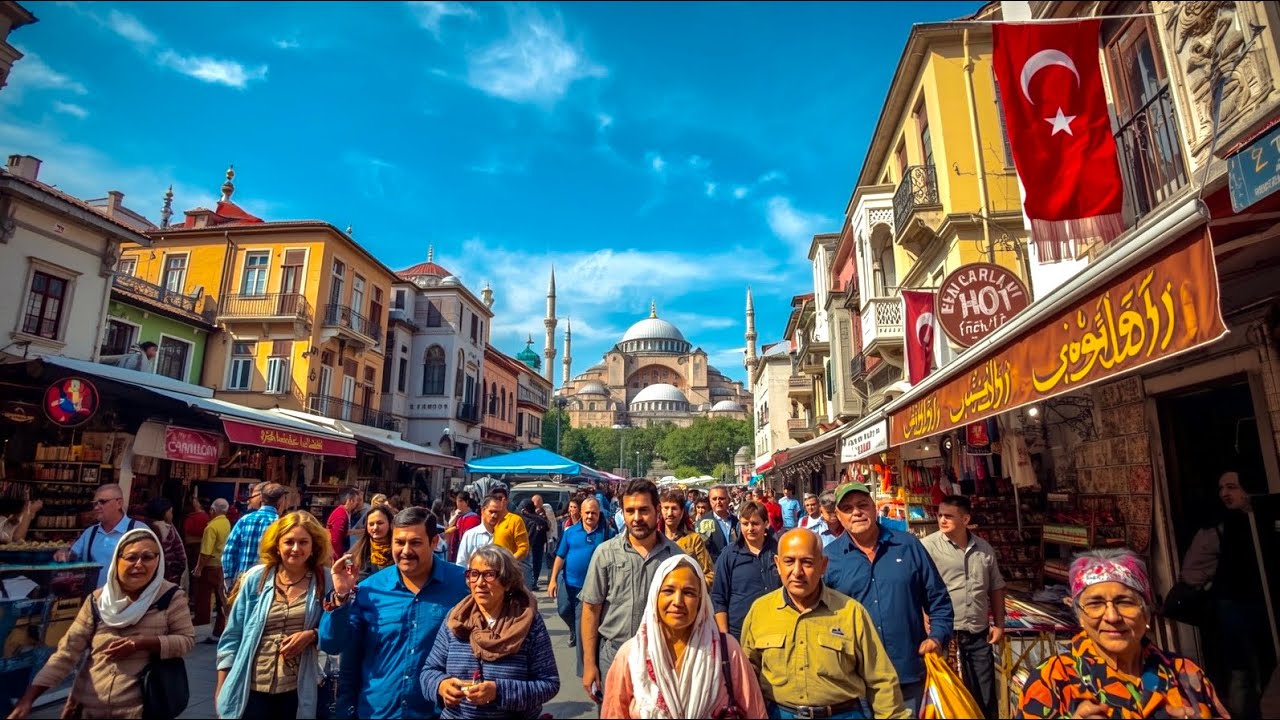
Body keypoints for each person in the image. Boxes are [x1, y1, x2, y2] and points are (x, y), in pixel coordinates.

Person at [1018, 549, 1229, 719]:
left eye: (1124, 602)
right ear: (1081, 617)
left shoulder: (1183, 672)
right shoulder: (1054, 677)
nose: (1111, 616)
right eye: (1095, 604)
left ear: (1146, 614)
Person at [8, 527, 195, 719]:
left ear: (158, 560)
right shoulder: (98, 600)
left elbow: (186, 641)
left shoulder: (170, 597)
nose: (139, 564)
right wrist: (29, 699)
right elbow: (67, 652)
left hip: (141, 710)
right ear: (117, 560)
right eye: (131, 557)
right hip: (89, 707)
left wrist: (142, 643)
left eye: (148, 557)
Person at [741, 529, 908, 719]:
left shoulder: (850, 612)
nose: (797, 572)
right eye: (789, 562)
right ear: (777, 565)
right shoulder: (760, 611)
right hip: (779, 713)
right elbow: (747, 674)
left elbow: (881, 680)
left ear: (823, 565)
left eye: (807, 562)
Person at [323, 508, 469, 719]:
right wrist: (341, 597)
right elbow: (332, 645)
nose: (406, 551)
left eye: (416, 543)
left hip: (440, 712)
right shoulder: (370, 590)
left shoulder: (463, 585)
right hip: (378, 711)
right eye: (399, 542)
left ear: (435, 542)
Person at [823, 481, 953, 715]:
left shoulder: (908, 545)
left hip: (907, 673)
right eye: (848, 508)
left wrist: (937, 637)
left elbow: (939, 600)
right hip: (854, 681)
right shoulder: (830, 559)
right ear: (838, 517)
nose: (857, 512)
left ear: (874, 508)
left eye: (863, 505)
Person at [602, 554, 768, 719]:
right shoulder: (632, 655)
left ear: (700, 600)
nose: (677, 601)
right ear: (655, 596)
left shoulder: (726, 650)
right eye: (668, 591)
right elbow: (614, 713)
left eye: (688, 592)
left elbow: (754, 711)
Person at [215, 511, 332, 719]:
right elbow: (233, 635)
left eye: (303, 542)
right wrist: (222, 688)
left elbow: (336, 636)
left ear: (314, 546)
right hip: (251, 687)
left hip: (296, 690)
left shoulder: (324, 581)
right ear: (277, 545)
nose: (296, 549)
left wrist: (312, 635)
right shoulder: (257, 578)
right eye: (289, 542)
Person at [421, 545, 559, 719]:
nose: (479, 583)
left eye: (489, 575)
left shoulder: (528, 623)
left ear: (507, 582)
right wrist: (441, 686)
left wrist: (498, 692)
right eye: (474, 574)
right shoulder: (457, 619)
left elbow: (549, 684)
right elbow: (429, 671)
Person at [1179, 470, 1275, 718]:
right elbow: (1191, 573)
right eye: (1221, 488)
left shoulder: (1266, 518)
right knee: (1242, 673)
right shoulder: (1216, 527)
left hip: (1266, 609)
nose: (1224, 494)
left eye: (1231, 487)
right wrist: (1215, 579)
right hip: (1235, 609)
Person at [580, 479, 686, 703]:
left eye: (643, 510)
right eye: (630, 511)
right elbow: (590, 609)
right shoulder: (605, 554)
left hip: (661, 658)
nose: (636, 518)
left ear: (657, 511)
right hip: (614, 656)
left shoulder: (675, 557)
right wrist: (589, 664)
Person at [921, 494, 1006, 718]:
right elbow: (917, 587)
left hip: (978, 632)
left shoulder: (984, 548)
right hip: (946, 633)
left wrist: (999, 624)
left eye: (949, 516)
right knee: (950, 694)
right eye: (940, 515)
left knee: (984, 693)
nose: (942, 520)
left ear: (966, 519)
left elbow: (996, 587)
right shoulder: (927, 547)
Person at [548, 496, 608, 660]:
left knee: (582, 624)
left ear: (599, 513)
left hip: (589, 589)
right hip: (568, 584)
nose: (590, 516)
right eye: (587, 513)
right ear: (581, 513)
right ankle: (573, 629)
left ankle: (585, 665)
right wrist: (553, 579)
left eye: (594, 513)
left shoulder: (606, 533)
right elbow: (560, 556)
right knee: (563, 610)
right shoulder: (571, 532)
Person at [711, 501, 781, 640]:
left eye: (755, 523)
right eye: (745, 523)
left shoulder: (779, 551)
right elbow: (718, 598)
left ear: (766, 524)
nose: (750, 528)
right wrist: (725, 638)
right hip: (740, 634)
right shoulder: (729, 555)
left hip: (777, 631)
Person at [55, 484, 143, 588]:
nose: (96, 507)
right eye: (95, 504)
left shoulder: (138, 531)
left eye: (102, 502)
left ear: (119, 503)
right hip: (93, 599)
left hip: (126, 600)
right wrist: (64, 553)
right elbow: (73, 554)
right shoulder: (90, 532)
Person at [221, 482, 287, 592]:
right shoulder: (281, 524)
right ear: (281, 501)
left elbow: (229, 551)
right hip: (269, 585)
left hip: (242, 582)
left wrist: (229, 581)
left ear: (262, 499)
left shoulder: (245, 520)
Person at [193, 498, 232, 641]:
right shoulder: (227, 523)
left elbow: (205, 552)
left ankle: (202, 628)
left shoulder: (211, 527)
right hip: (222, 566)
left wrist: (198, 568)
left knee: (203, 598)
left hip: (210, 566)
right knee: (221, 597)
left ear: (213, 511)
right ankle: (219, 630)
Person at [660, 489, 715, 586]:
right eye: (666, 508)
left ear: (682, 512)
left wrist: (692, 589)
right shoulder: (654, 540)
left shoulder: (694, 539)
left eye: (674, 508)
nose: (669, 513)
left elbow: (709, 574)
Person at [345, 503, 396, 582]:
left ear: (390, 524)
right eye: (371, 524)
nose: (375, 528)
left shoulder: (399, 551)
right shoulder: (355, 552)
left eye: (380, 523)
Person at [145, 497, 187, 586]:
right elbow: (181, 556)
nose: (172, 515)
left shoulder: (144, 526)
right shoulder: (169, 530)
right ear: (165, 513)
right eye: (171, 512)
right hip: (168, 576)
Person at [696, 485, 740, 561]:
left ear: (729, 500)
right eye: (714, 499)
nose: (718, 502)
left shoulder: (737, 521)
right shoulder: (703, 523)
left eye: (721, 498)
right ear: (709, 501)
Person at [457, 496, 503, 567]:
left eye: (498, 512)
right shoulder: (470, 535)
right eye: (491, 512)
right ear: (483, 510)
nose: (494, 515)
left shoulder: (504, 536)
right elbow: (461, 564)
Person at [489, 486, 530, 560]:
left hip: (507, 567)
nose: (498, 501)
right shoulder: (489, 520)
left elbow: (523, 548)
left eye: (500, 498)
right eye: (495, 498)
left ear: (506, 500)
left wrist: (510, 562)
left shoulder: (515, 520)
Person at [518, 498, 550, 591]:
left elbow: (545, 524)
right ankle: (529, 582)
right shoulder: (518, 518)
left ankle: (534, 582)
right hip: (526, 545)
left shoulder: (536, 517)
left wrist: (529, 515)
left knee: (536, 563)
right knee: (528, 565)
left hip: (538, 543)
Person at [327, 487, 362, 559]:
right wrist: (339, 557)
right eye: (356, 501)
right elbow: (335, 538)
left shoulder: (345, 512)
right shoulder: (340, 515)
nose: (357, 503)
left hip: (343, 552)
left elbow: (344, 532)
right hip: (338, 554)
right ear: (350, 501)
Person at [445, 491, 480, 563]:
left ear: (467, 502)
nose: (458, 504)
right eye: (457, 501)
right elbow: (449, 526)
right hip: (453, 550)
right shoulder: (458, 516)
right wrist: (455, 516)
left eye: (461, 501)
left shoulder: (474, 519)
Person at [534, 494, 560, 585]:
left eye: (538, 503)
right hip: (534, 541)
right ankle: (535, 580)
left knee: (549, 559)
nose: (536, 506)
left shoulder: (547, 509)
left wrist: (553, 537)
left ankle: (550, 579)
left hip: (548, 539)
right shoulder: (528, 510)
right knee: (535, 561)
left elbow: (550, 524)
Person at [183, 496, 211, 570]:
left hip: (190, 546)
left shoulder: (190, 517)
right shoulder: (207, 518)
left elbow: (186, 530)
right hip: (201, 547)